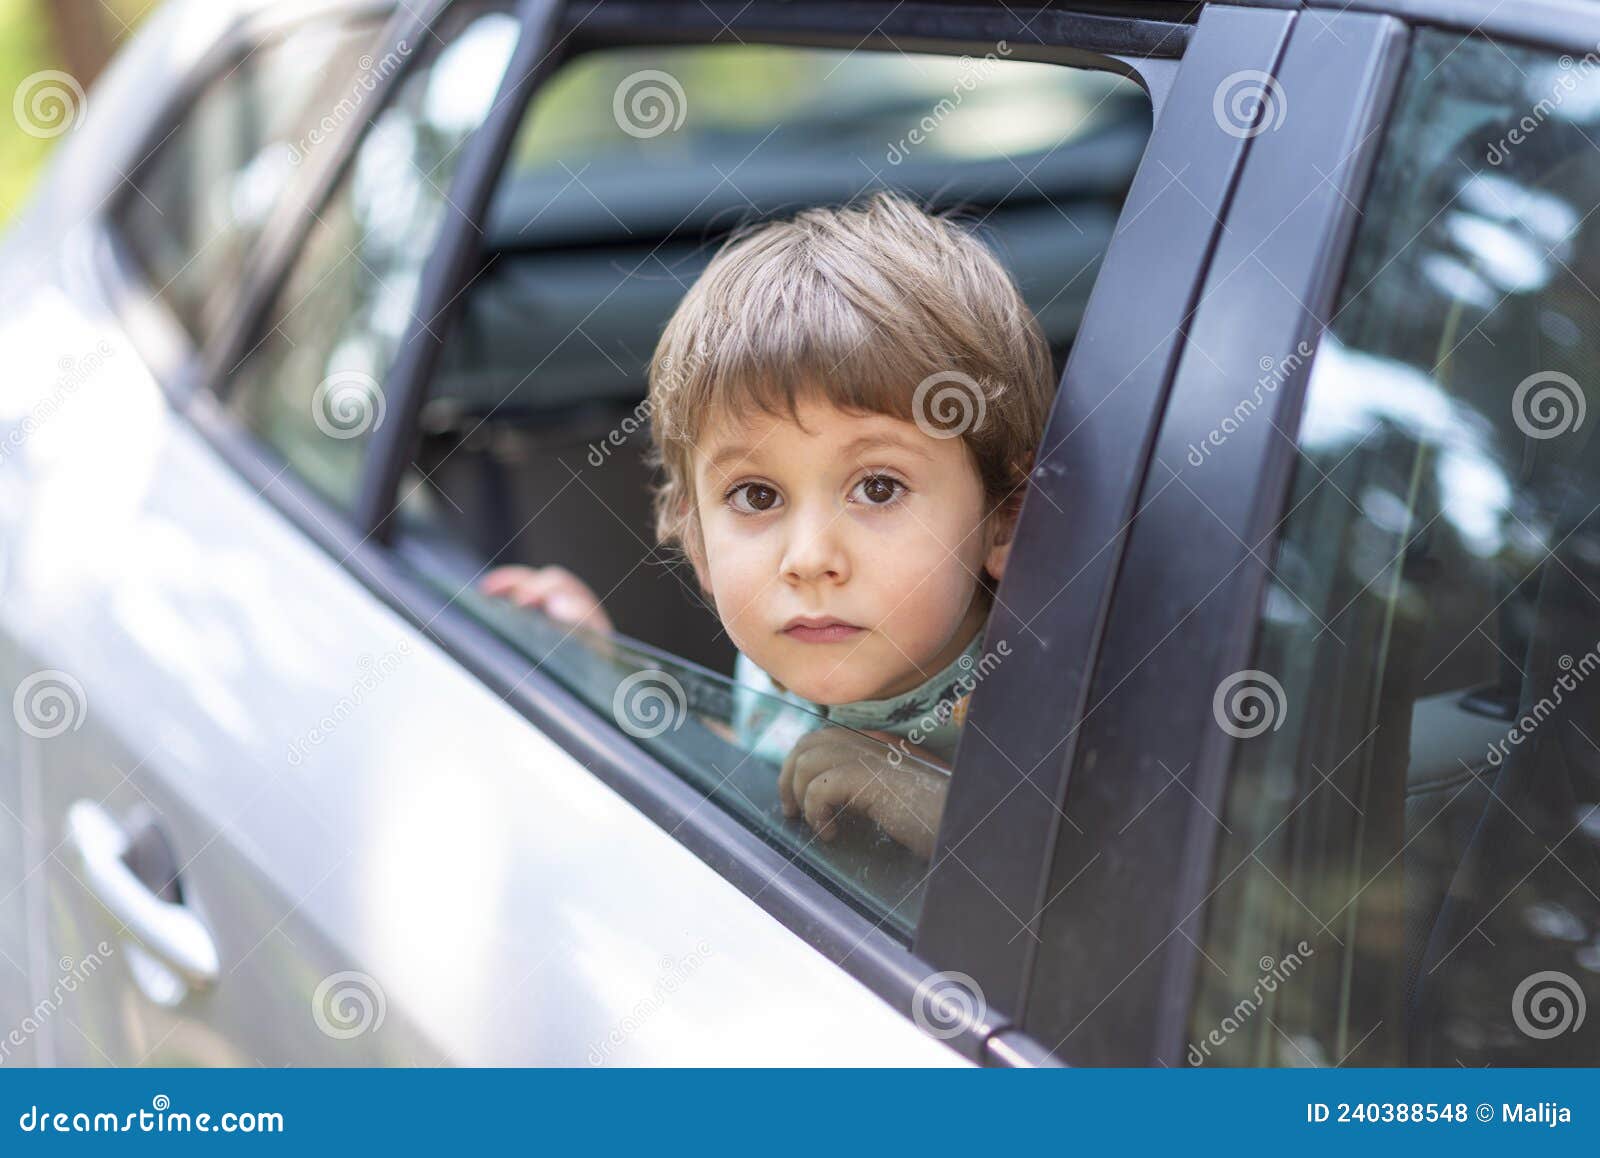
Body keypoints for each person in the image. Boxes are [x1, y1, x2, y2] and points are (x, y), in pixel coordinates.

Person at [481, 191, 1054, 858]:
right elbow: (756, 764)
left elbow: (1106, 877)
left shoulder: (1047, 697)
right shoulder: (787, 652)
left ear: (1005, 520)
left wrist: (947, 815)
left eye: (878, 488)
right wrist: (608, 676)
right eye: (756, 496)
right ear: (696, 540)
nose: (807, 559)